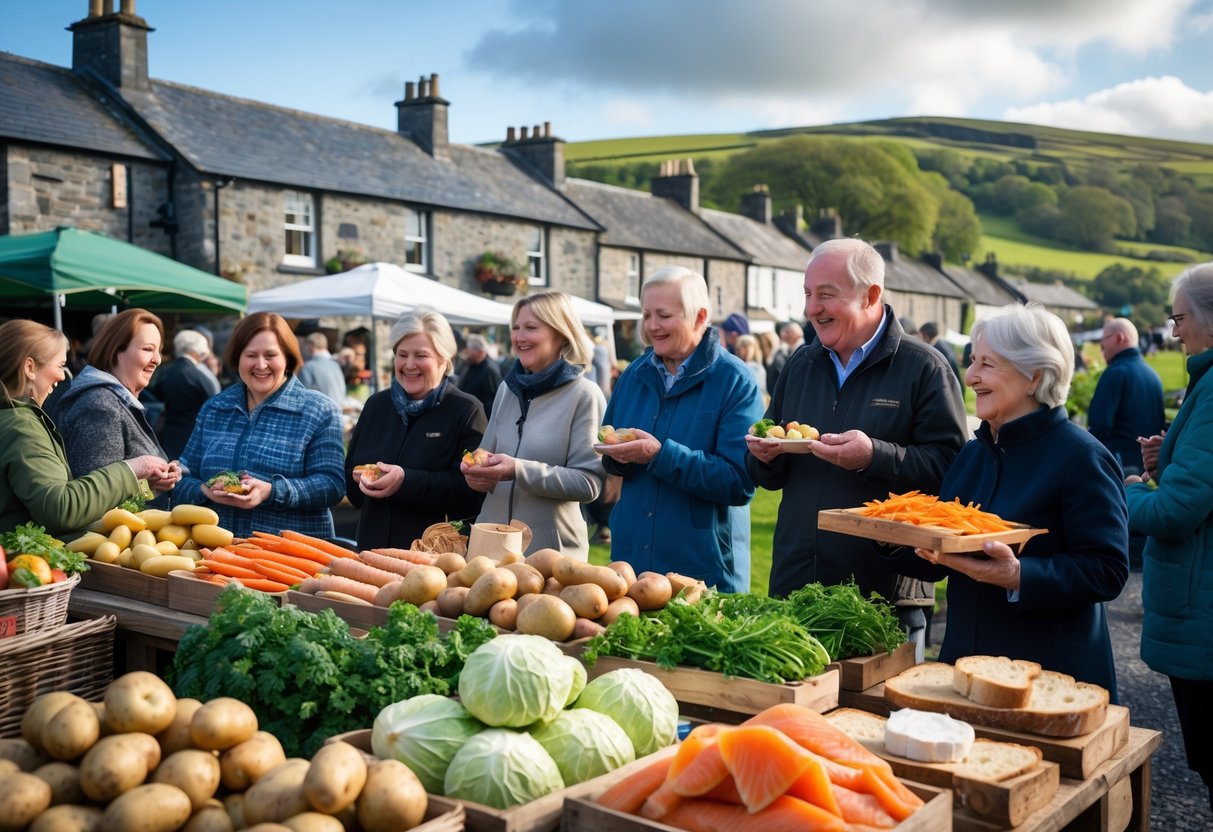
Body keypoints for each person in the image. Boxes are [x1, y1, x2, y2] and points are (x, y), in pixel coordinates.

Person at [891, 304, 1129, 698]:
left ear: (1034, 375)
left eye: (987, 364)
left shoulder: (1082, 457)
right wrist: (892, 537)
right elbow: (940, 555)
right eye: (972, 361)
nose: (971, 377)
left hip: (1047, 679)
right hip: (964, 667)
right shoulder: (973, 454)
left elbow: (1108, 570)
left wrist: (1020, 576)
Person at [746, 238, 967, 660]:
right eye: (808, 294)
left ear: (871, 295)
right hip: (795, 586)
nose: (813, 308)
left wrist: (875, 456)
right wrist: (764, 457)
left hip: (884, 595)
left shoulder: (924, 367)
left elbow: (953, 468)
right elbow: (768, 475)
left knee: (875, 704)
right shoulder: (801, 364)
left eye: (826, 294)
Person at [598, 267, 764, 591]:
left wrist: (659, 455)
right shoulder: (634, 375)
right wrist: (617, 457)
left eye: (663, 315)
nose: (652, 326)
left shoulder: (735, 380)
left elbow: (739, 482)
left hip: (702, 573)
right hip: (631, 568)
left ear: (699, 317)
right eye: (646, 315)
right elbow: (612, 450)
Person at [1125, 263, 1213, 808]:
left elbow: (1178, 510)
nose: (1174, 332)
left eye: (1179, 319)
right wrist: (1171, 459)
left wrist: (1132, 491)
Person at [173, 312, 345, 538]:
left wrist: (272, 491)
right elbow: (184, 476)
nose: (261, 365)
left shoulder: (319, 410)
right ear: (238, 357)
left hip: (289, 554)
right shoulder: (215, 408)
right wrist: (203, 490)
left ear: (287, 358)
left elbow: (332, 485)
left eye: (270, 355)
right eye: (251, 355)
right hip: (216, 551)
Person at [461, 291, 606, 559]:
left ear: (561, 334)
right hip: (489, 550)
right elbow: (485, 453)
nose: (519, 337)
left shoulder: (584, 395)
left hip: (549, 557)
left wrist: (518, 470)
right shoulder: (506, 389)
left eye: (531, 327)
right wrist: (476, 472)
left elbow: (589, 483)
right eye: (516, 328)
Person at [0, 320, 168, 535]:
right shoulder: (22, 426)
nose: (63, 376)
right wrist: (131, 470)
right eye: (60, 365)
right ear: (30, 368)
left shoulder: (16, 419)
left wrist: (143, 481)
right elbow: (61, 508)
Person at [345, 309, 487, 550]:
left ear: (444, 360)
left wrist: (406, 481)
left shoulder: (466, 411)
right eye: (402, 355)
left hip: (434, 557)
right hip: (371, 551)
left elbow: (470, 493)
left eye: (421, 355)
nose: (409, 365)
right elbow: (353, 489)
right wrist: (360, 479)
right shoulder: (376, 405)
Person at [53, 308, 180, 507]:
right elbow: (94, 499)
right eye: (148, 349)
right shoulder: (101, 406)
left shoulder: (110, 401)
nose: (157, 359)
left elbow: (116, 487)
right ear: (116, 351)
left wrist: (153, 483)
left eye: (159, 350)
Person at [1088, 318, 1164, 476]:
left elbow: (1099, 427)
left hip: (1119, 468)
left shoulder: (1115, 373)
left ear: (1119, 338)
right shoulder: (1153, 375)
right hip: (1148, 468)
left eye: (1104, 339)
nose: (1101, 346)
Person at [151, 329, 221, 460]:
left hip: (168, 434)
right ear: (198, 351)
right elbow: (213, 404)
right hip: (193, 436)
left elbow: (157, 395)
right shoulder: (199, 376)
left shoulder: (165, 372)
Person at [454, 333, 502, 417]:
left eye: (469, 352)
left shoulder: (489, 370)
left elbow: (492, 402)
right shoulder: (472, 365)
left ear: (480, 352)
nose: (467, 355)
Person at [297, 331, 347, 405]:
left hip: (319, 410)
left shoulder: (308, 367)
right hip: (338, 409)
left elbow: (302, 396)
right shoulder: (335, 365)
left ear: (310, 346)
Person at [766, 321, 804, 393]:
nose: (783, 335)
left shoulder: (804, 349)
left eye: (788, 332)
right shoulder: (785, 350)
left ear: (797, 333)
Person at [733, 333, 767, 398]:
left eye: (739, 348)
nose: (737, 351)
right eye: (737, 348)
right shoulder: (739, 365)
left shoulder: (755, 368)